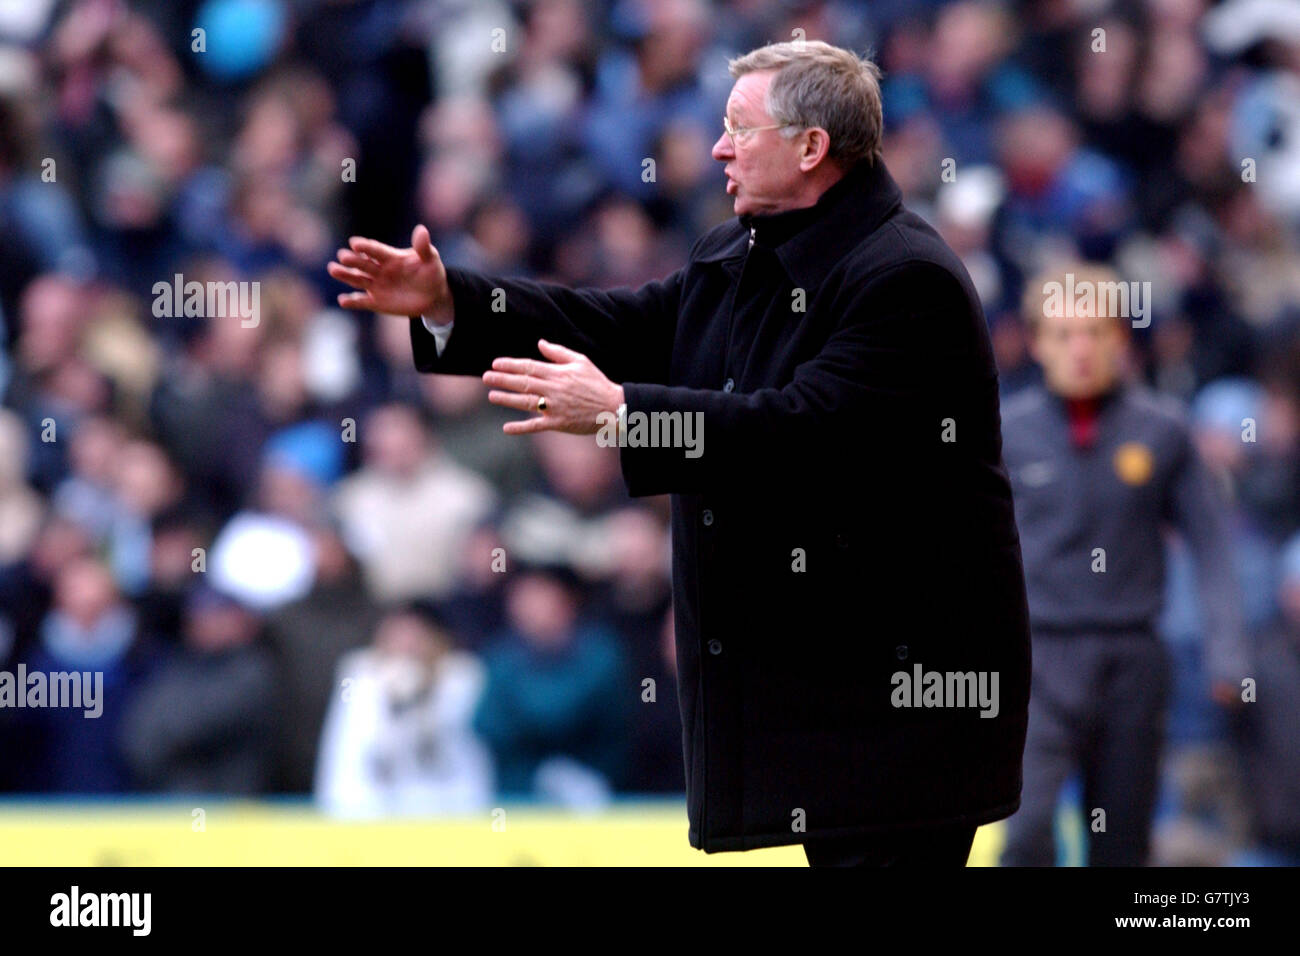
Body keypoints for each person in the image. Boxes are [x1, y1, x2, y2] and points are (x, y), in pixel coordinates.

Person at [329, 40, 1032, 865]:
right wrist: (456, 302)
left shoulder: (907, 280)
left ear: (811, 149)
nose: (717, 148)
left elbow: (803, 434)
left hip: (903, 705)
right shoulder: (739, 252)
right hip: (826, 697)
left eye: (741, 128)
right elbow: (622, 327)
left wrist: (626, 416)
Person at [997, 262, 1250, 866]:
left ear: (1121, 339)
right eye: (1063, 334)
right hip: (1039, 660)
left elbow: (1212, 547)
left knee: (1121, 844)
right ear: (1036, 343)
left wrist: (1228, 653)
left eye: (1096, 332)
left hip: (1132, 658)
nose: (1080, 349)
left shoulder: (1163, 430)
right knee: (1026, 829)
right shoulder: (1008, 432)